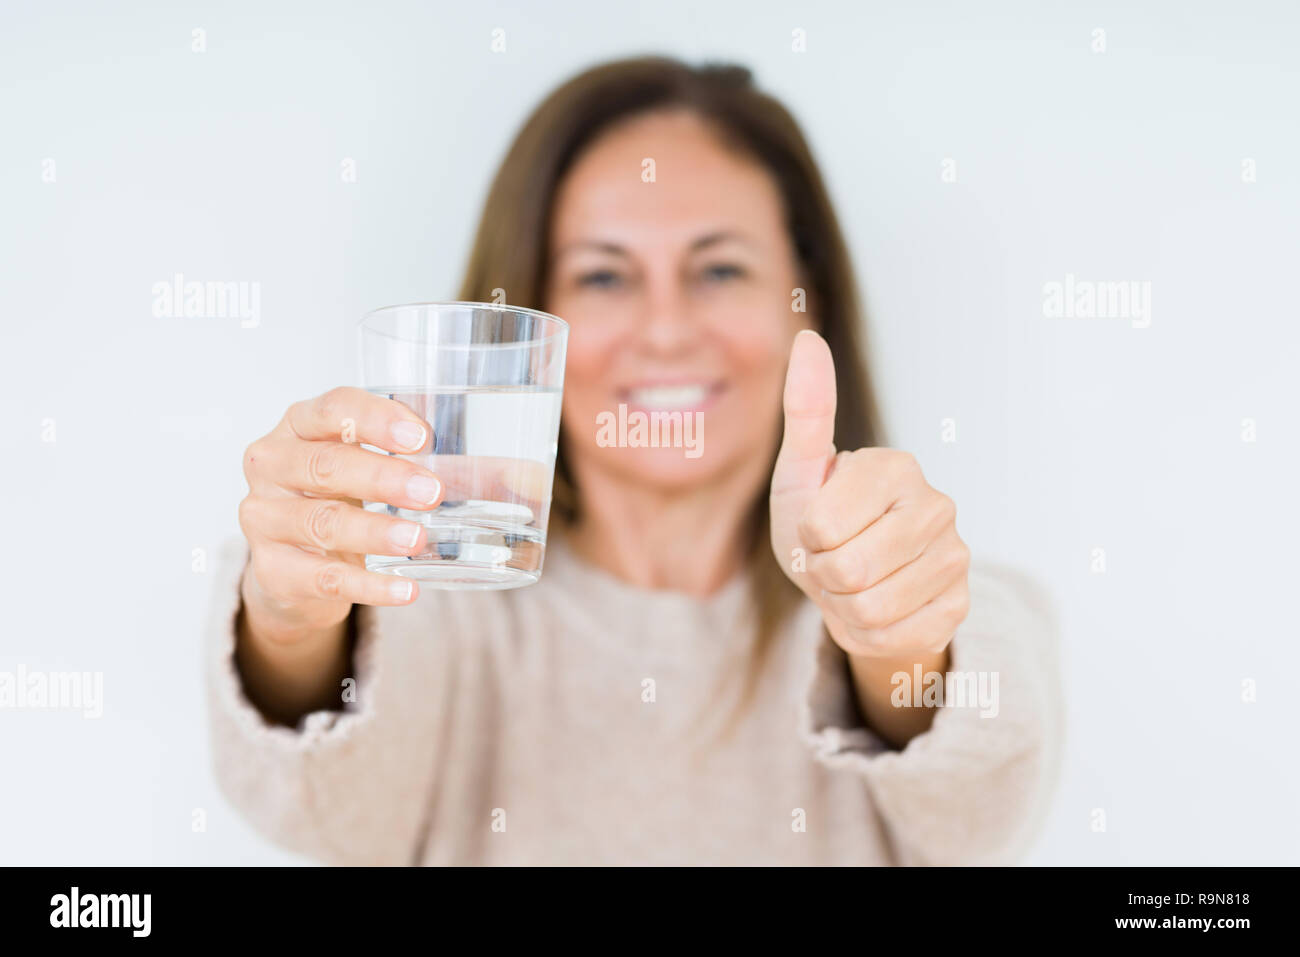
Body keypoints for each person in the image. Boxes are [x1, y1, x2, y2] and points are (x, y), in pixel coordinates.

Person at [206, 56, 1062, 865]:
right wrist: (291, 623)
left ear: (809, 300)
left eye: (720, 269)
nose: (664, 330)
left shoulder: (946, 596)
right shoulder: (427, 598)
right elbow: (321, 807)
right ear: (531, 323)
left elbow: (976, 816)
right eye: (605, 277)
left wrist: (895, 640)